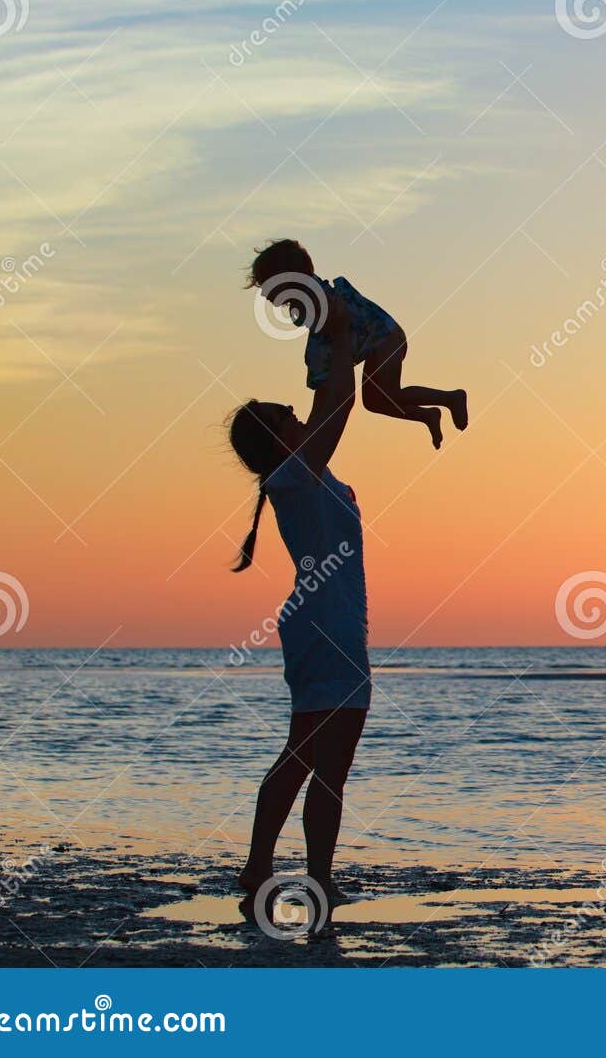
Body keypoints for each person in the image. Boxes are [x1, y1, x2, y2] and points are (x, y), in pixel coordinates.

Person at [227, 296, 370, 912]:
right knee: (311, 757)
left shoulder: (304, 472)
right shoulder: (293, 472)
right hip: (324, 628)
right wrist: (337, 334)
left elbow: (330, 406)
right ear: (277, 437)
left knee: (319, 759)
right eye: (288, 414)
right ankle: (279, 871)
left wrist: (343, 339)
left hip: (332, 625)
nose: (297, 414)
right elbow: (336, 405)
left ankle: (294, 873)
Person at [246, 238, 467, 448]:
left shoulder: (315, 298)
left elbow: (326, 350)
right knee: (374, 401)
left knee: (387, 392)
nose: (264, 293)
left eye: (268, 284)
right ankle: (427, 414)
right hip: (376, 340)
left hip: (383, 337)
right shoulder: (308, 301)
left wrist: (314, 426)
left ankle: (450, 398)